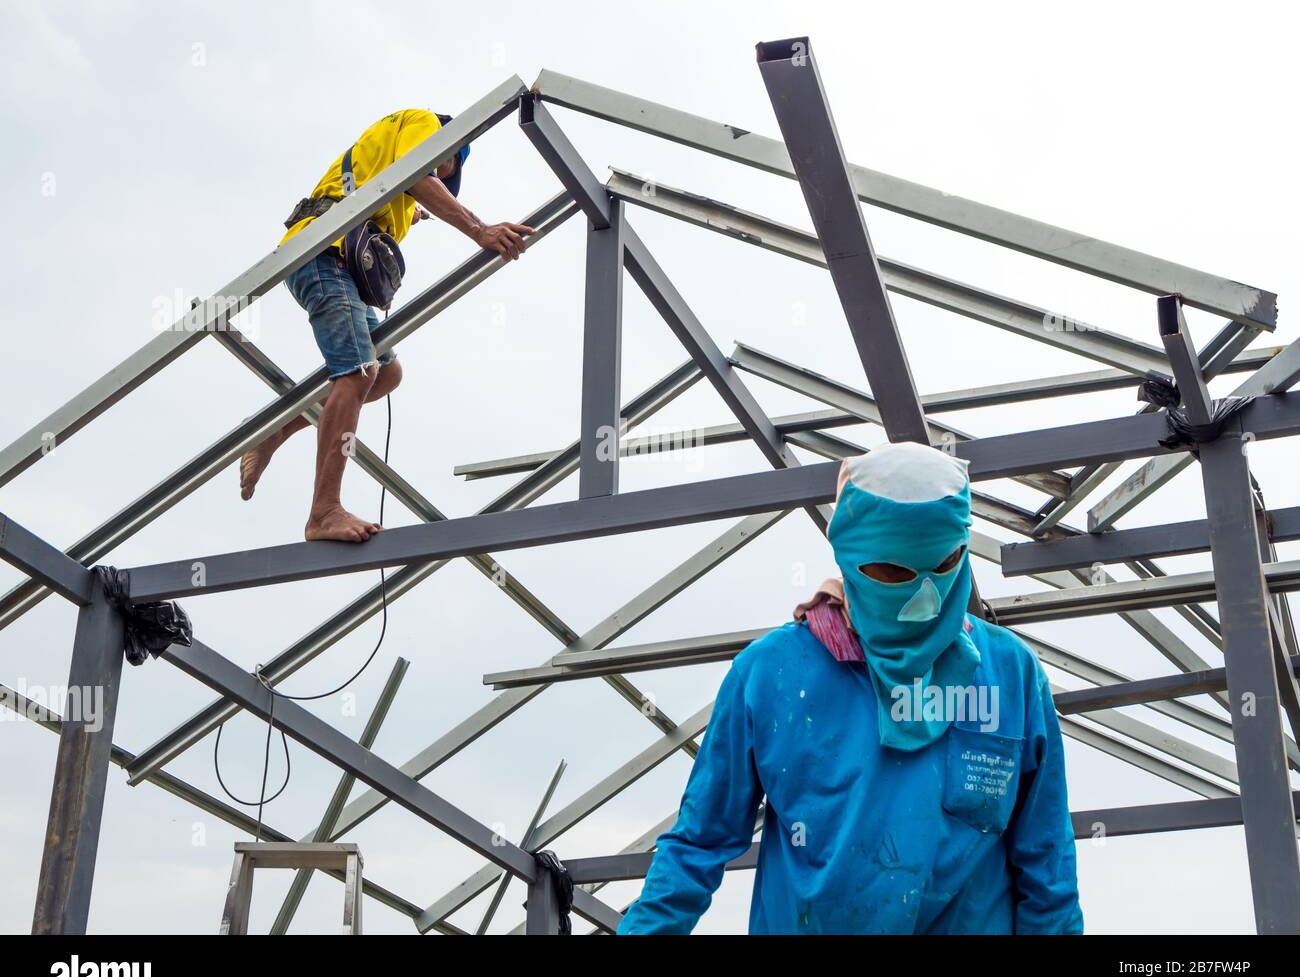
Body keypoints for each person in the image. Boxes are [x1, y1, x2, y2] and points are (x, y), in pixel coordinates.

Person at [619, 440, 1083, 934]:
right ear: (848, 558)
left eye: (945, 565)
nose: (924, 600)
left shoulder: (1010, 674)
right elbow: (698, 843)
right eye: (893, 573)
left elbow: (1046, 857)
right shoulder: (771, 677)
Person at [239, 109, 536, 542]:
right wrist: (479, 230)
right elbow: (417, 171)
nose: (440, 174)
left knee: (385, 374)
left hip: (335, 261)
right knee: (359, 373)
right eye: (444, 168)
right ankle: (323, 513)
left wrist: (408, 213)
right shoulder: (429, 126)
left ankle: (274, 433)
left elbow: (391, 179)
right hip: (324, 254)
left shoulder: (390, 168)